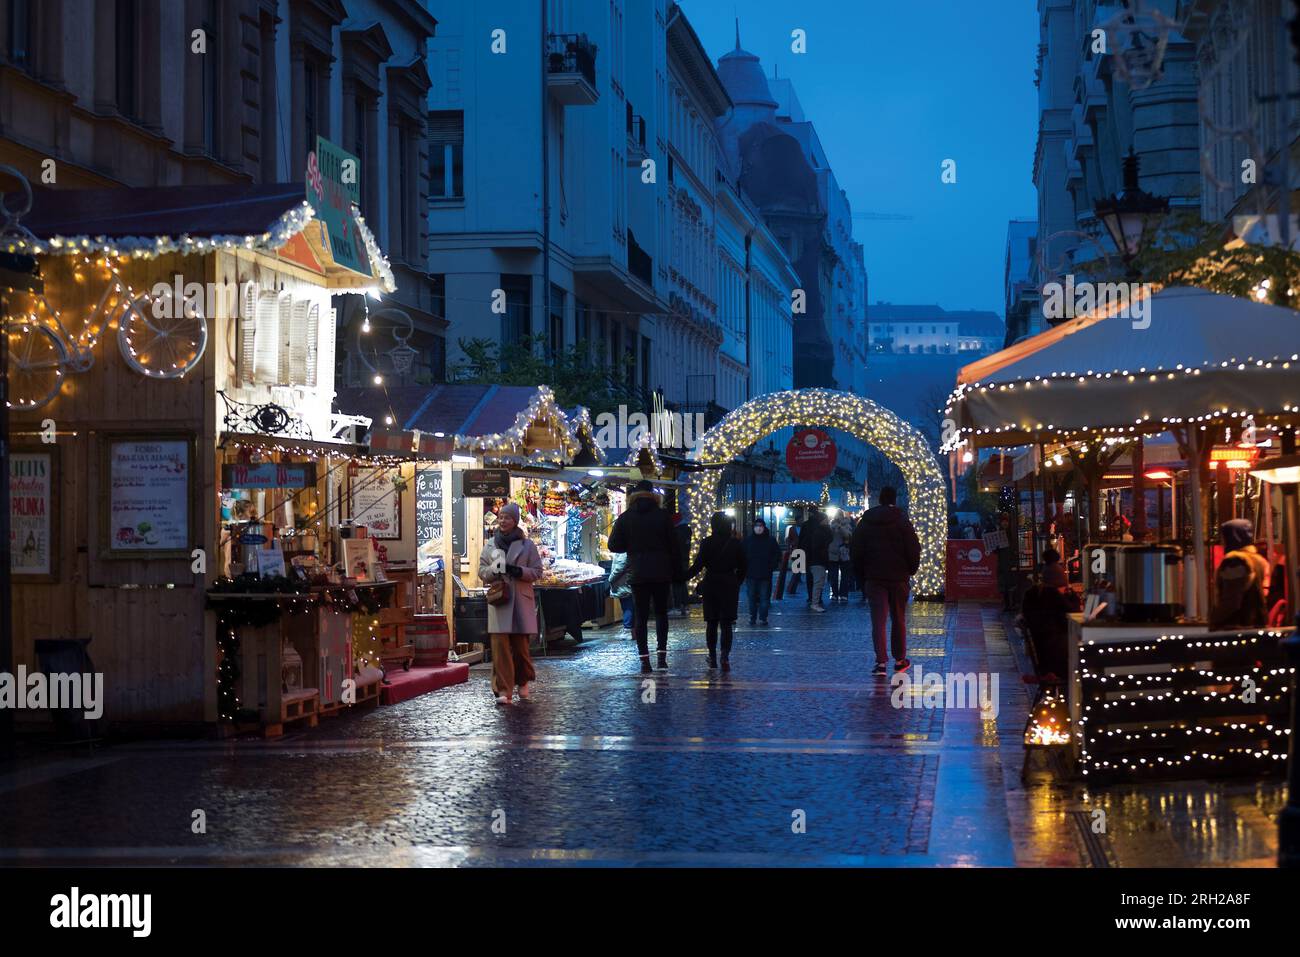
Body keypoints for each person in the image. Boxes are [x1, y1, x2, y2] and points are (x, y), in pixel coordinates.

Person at [608, 479, 684, 672]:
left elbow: (614, 545)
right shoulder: (662, 516)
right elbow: (675, 547)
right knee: (661, 614)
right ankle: (662, 657)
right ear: (653, 494)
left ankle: (644, 661)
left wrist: (632, 545)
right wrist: (676, 572)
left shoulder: (626, 517)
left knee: (640, 617)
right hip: (661, 573)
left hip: (638, 573)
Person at [478, 502, 544, 705]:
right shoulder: (490, 545)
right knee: (500, 648)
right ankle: (503, 690)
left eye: (507, 518)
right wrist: (493, 572)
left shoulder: (527, 546)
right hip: (500, 600)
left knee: (520, 647)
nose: (503, 521)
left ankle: (523, 680)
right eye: (501, 517)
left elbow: (537, 572)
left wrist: (519, 571)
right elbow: (482, 571)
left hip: (520, 600)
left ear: (515, 520)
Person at [851, 486, 921, 675]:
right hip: (898, 577)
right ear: (894, 499)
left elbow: (856, 550)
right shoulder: (902, 520)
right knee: (898, 618)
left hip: (874, 578)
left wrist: (861, 576)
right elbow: (914, 548)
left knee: (878, 620)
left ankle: (881, 662)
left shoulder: (866, 522)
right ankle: (899, 659)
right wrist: (911, 570)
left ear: (879, 499)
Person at [686, 512, 748, 670]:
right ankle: (725, 657)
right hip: (729, 584)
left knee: (712, 622)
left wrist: (682, 576)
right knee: (726, 623)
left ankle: (712, 656)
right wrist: (736, 582)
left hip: (711, 583)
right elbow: (743, 567)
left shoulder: (707, 543)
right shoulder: (736, 544)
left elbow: (698, 565)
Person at [1211, 519, 1269, 629]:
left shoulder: (1235, 561)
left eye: (1224, 537)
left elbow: (1231, 601)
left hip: (1235, 628)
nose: (1222, 542)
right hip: (1256, 626)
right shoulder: (1258, 560)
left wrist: (1213, 621)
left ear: (1233, 537)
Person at [742, 516, 782, 625]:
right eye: (757, 526)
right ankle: (753, 617)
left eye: (761, 526)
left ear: (764, 527)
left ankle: (763, 617)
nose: (759, 528)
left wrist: (772, 565)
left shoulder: (770, 540)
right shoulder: (748, 541)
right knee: (752, 598)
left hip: (765, 574)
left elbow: (777, 554)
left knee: (764, 598)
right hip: (751, 573)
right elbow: (742, 555)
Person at [799, 509, 833, 612]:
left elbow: (802, 541)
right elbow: (821, 545)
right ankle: (815, 601)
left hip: (810, 556)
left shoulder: (808, 526)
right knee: (818, 581)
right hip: (817, 558)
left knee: (814, 580)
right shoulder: (821, 530)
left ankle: (813, 599)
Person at [669, 510, 692, 617]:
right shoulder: (686, 530)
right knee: (682, 583)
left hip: (676, 561)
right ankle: (685, 605)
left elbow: (674, 548)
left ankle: (678, 606)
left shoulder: (677, 532)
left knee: (676, 583)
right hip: (684, 560)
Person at [829, 511, 855, 602]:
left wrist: (840, 527)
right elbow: (829, 536)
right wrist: (834, 527)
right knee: (833, 575)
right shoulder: (831, 524)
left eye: (840, 515)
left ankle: (844, 594)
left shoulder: (847, 524)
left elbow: (848, 535)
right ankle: (835, 594)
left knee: (845, 576)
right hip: (833, 552)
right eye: (837, 515)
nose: (838, 517)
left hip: (844, 553)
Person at [995, 513, 1017, 611]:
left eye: (1006, 521)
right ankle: (1007, 604)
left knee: (1010, 584)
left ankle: (1012, 604)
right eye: (1003, 521)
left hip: (1010, 562)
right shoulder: (999, 533)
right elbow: (995, 550)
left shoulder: (1012, 533)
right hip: (1002, 562)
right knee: (1004, 585)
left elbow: (1014, 547)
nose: (1004, 523)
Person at [608, 550, 633, 630]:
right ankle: (630, 630)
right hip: (624, 583)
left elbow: (620, 567)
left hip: (623, 583)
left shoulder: (623, 552)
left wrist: (610, 578)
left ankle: (628, 629)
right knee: (628, 606)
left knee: (627, 607)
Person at [779, 523, 801, 599]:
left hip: (801, 550)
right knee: (797, 570)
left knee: (798, 570)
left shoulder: (802, 528)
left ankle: (792, 587)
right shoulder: (792, 529)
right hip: (795, 549)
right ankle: (791, 588)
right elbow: (789, 539)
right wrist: (789, 548)